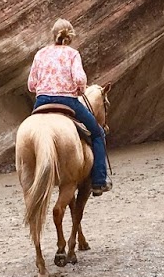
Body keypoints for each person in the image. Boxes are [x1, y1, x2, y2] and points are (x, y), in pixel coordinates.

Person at [28, 18, 109, 193]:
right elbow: (79, 79)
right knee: (98, 133)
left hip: (42, 101)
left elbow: (31, 84)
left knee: (30, 133)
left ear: (53, 35)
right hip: (67, 101)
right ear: (70, 36)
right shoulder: (72, 54)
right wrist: (80, 89)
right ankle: (99, 181)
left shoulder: (40, 54)